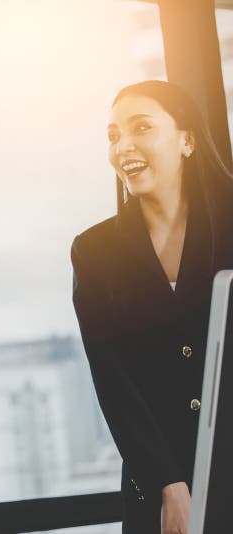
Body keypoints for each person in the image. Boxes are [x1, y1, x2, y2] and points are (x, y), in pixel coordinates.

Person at [72, 80, 233, 533]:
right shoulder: (94, 250)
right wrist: (170, 485)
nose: (124, 146)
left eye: (141, 127)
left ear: (187, 140)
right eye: (113, 135)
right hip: (158, 486)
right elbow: (113, 380)